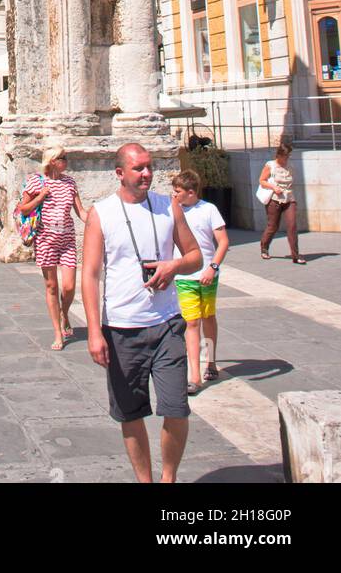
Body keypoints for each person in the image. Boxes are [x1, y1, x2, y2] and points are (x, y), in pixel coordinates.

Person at [81, 142, 202, 484]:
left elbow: (195, 255)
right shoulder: (101, 213)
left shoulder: (169, 206)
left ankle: (168, 479)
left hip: (167, 324)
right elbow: (89, 274)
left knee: (176, 408)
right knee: (130, 414)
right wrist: (93, 331)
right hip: (121, 327)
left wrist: (174, 266)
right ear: (120, 173)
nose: (147, 173)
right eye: (139, 168)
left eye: (149, 166)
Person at [19, 146, 89, 349]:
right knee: (51, 286)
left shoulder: (69, 183)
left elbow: (81, 212)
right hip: (46, 239)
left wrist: (97, 221)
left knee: (68, 287)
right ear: (51, 161)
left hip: (67, 239)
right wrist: (40, 197)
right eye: (62, 158)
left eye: (65, 158)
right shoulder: (36, 181)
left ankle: (64, 312)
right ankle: (58, 333)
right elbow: (23, 208)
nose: (66, 161)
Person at [170, 170, 229, 394]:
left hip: (206, 275)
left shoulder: (209, 210)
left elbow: (222, 241)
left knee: (208, 318)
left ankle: (211, 361)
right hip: (183, 276)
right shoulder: (172, 210)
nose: (174, 195)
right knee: (191, 323)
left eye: (177, 192)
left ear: (191, 193)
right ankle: (194, 375)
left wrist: (213, 268)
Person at [259, 141, 304, 264]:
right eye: (286, 155)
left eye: (289, 155)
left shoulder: (290, 167)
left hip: (289, 198)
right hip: (274, 199)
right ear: (279, 155)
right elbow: (262, 180)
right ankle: (264, 247)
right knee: (273, 226)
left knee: (292, 226)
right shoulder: (270, 165)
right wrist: (274, 187)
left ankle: (295, 255)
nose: (287, 158)